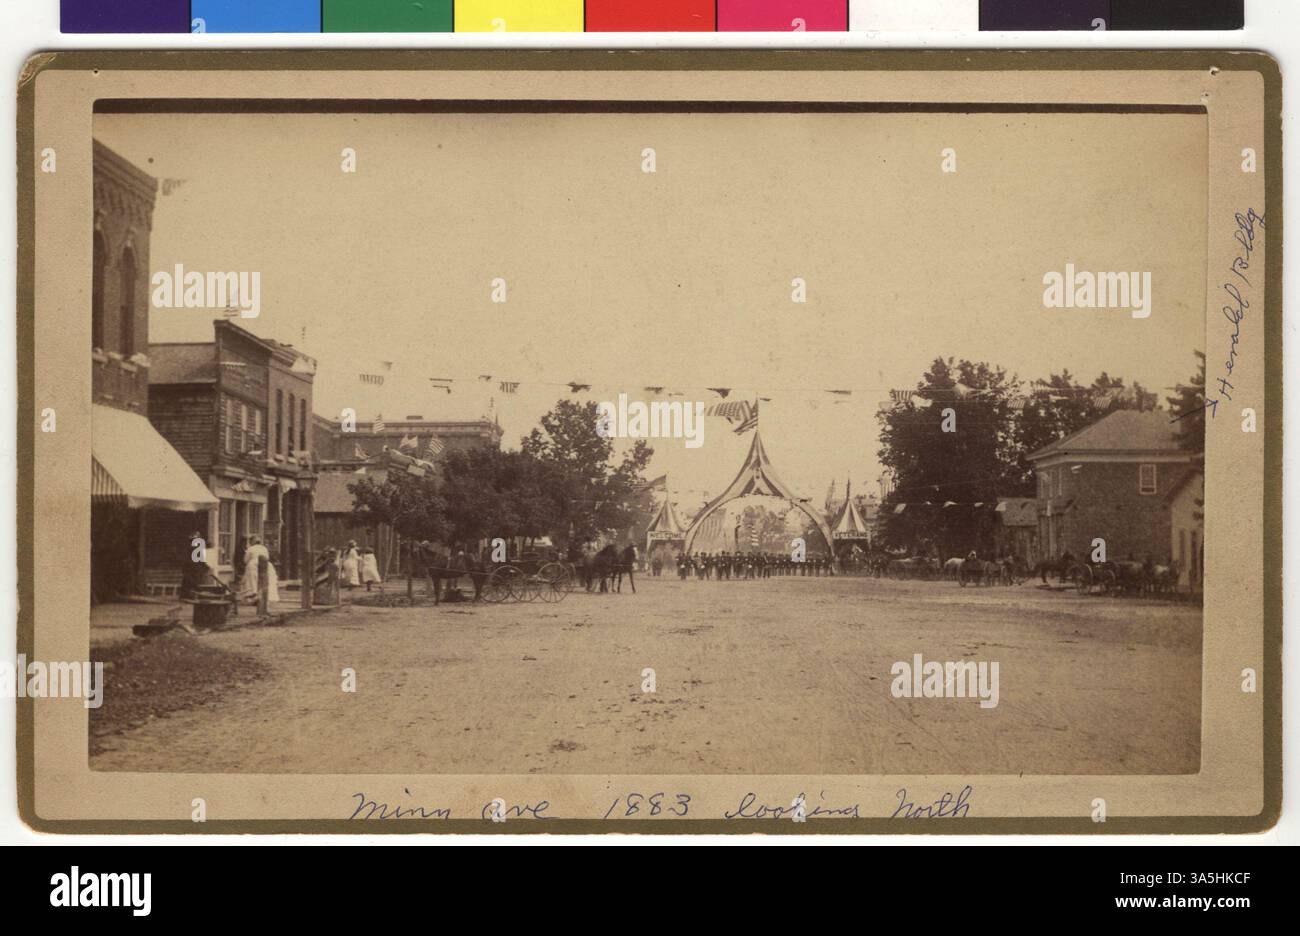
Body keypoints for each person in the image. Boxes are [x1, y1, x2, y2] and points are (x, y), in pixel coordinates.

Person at [242, 536, 270, 604]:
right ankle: (261, 598)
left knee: (252, 581)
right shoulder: (264, 548)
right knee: (262, 581)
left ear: (252, 542)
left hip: (253, 564)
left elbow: (245, 560)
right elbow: (267, 557)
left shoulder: (250, 549)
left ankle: (253, 597)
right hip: (264, 564)